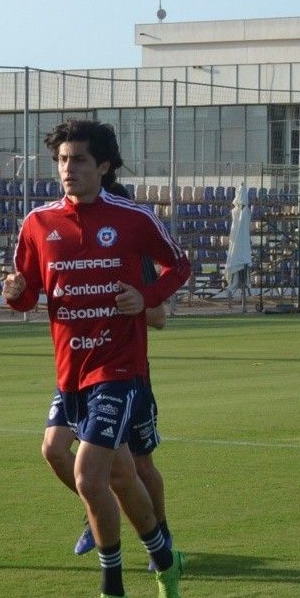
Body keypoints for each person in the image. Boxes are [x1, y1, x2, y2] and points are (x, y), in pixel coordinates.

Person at [3, 119, 191, 598]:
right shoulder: (38, 223)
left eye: (79, 160)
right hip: (71, 372)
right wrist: (15, 293)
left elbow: (179, 266)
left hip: (119, 369)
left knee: (89, 475)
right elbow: (27, 294)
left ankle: (113, 590)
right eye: (62, 160)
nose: (68, 169)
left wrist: (145, 297)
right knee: (117, 476)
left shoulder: (132, 218)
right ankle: (165, 559)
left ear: (103, 166)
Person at [42, 181, 173, 568]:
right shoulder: (70, 244)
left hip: (126, 376)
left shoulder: (132, 253)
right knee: (54, 449)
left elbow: (159, 317)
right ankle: (96, 509)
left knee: (140, 465)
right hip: (79, 373)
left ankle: (161, 536)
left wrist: (133, 303)